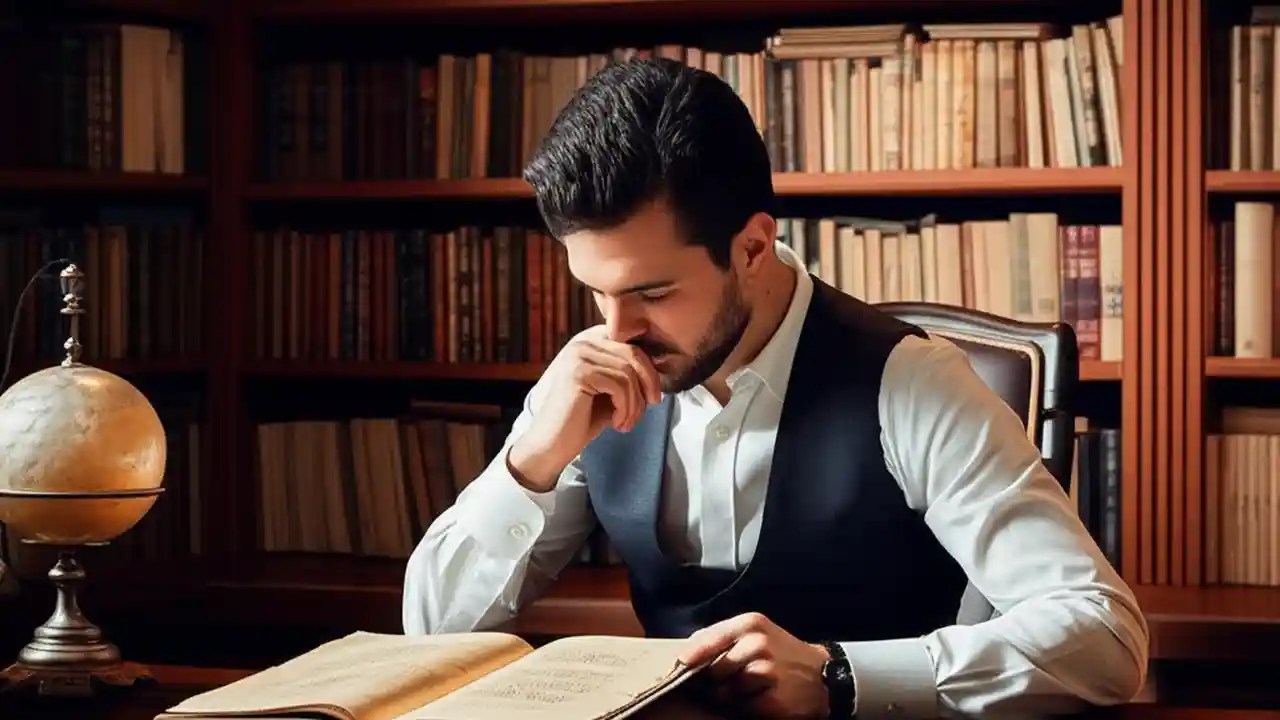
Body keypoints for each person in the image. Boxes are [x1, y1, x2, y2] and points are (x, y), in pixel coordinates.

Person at [402, 57, 1149, 719]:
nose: (617, 328)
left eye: (653, 293)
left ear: (753, 246)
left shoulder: (913, 383)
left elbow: (1104, 636)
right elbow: (429, 634)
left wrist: (844, 678)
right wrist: (532, 463)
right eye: (595, 292)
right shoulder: (588, 376)